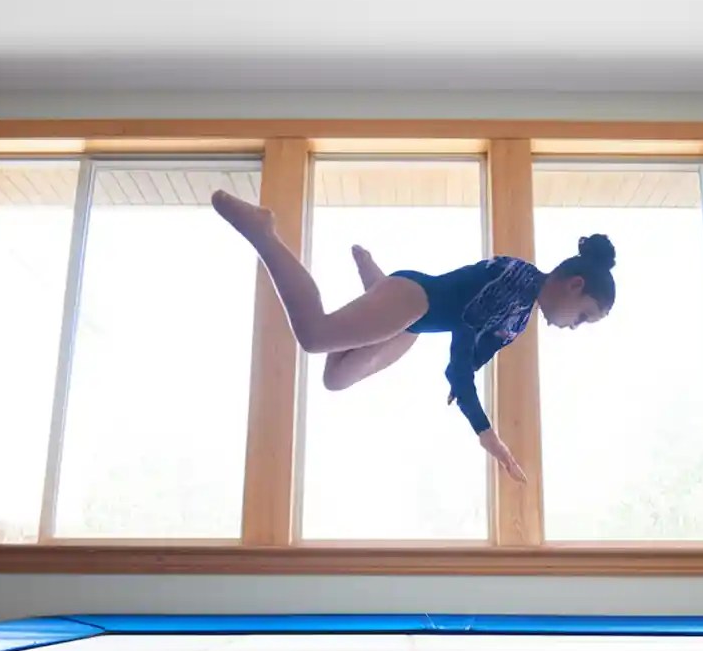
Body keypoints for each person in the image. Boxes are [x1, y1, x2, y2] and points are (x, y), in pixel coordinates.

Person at [211, 190, 616, 483]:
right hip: (414, 299)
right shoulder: (516, 281)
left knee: (335, 379)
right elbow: (459, 355)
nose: (573, 327)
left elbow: (473, 357)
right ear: (574, 285)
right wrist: (486, 433)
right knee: (315, 335)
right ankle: (263, 233)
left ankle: (375, 284)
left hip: (415, 323)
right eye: (582, 317)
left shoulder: (521, 315)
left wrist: (463, 384)